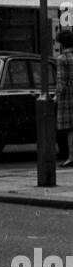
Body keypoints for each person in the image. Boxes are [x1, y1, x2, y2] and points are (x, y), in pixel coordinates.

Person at [57, 28, 73, 167]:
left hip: (68, 95)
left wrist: (57, 96)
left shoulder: (62, 59)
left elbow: (61, 80)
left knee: (70, 128)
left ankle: (71, 156)